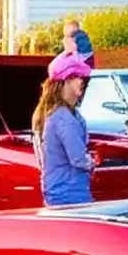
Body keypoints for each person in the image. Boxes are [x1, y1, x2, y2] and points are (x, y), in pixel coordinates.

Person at [33, 53, 96, 206]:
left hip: (60, 192)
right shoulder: (63, 117)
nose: (83, 82)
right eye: (79, 77)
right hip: (70, 194)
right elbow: (78, 159)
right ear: (66, 80)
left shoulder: (54, 114)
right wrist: (92, 162)